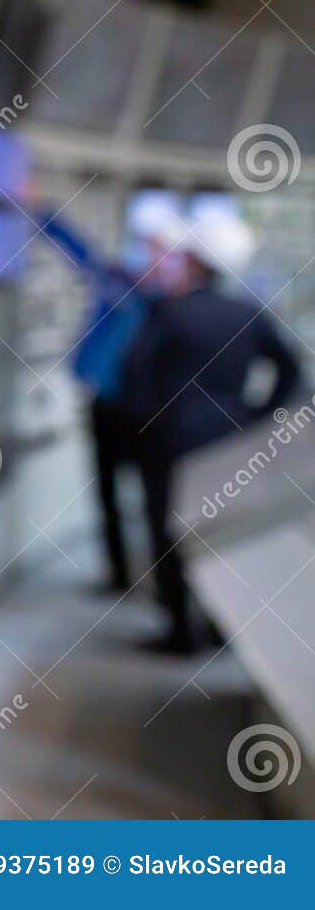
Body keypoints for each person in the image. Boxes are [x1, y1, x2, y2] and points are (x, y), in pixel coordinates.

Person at [121, 209, 302, 654]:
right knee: (220, 533)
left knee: (170, 532)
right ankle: (223, 626)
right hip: (231, 440)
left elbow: (135, 376)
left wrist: (146, 426)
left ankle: (181, 630)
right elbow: (291, 371)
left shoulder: (169, 312)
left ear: (196, 262)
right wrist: (256, 415)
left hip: (172, 440)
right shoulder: (248, 314)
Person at [34, 195, 187, 593]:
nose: (153, 258)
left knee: (156, 497)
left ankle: (160, 576)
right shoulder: (117, 283)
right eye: (150, 247)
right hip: (107, 401)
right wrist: (40, 210)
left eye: (163, 251)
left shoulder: (172, 305)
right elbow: (80, 253)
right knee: (106, 490)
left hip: (150, 410)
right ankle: (119, 573)